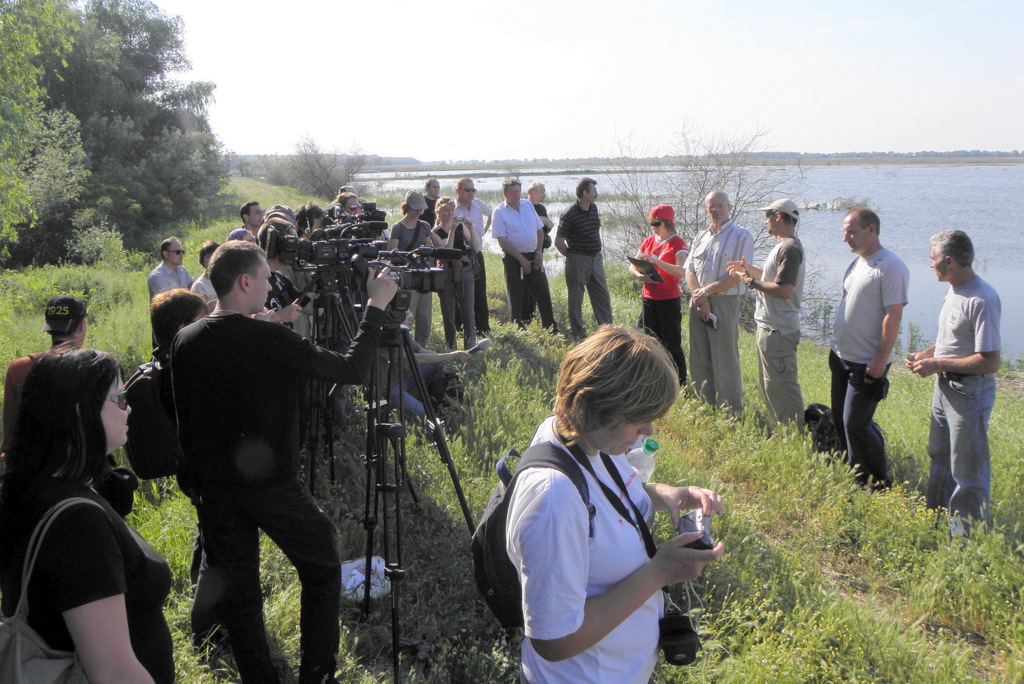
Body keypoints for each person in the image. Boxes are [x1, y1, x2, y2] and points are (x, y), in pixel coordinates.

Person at [170, 240, 397, 683]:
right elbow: (351, 370)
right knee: (321, 568)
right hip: (272, 487)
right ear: (245, 281)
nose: (272, 286)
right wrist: (375, 307)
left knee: (240, 592)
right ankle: (317, 672)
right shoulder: (272, 339)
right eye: (267, 278)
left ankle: (260, 677)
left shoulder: (186, 338)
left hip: (214, 491)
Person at [507, 325, 725, 682]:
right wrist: (659, 572)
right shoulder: (553, 501)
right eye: (639, 420)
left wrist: (664, 493)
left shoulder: (584, 439)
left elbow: (608, 495)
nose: (649, 431)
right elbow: (553, 642)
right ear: (603, 409)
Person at [0, 348, 175, 683]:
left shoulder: (38, 489)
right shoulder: (77, 523)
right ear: (81, 411)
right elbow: (112, 672)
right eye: (120, 398)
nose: (130, 407)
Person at [906, 230, 1000, 536]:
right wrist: (927, 355)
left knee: (968, 473)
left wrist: (937, 364)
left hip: (969, 394)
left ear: (948, 261)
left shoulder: (981, 298)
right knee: (939, 458)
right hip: (944, 389)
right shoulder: (953, 290)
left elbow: (989, 361)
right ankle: (934, 524)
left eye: (933, 258)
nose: (930, 264)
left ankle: (965, 544)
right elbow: (953, 342)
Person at [830, 207, 909, 489]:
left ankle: (878, 482)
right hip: (840, 356)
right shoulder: (858, 263)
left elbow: (893, 315)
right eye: (845, 232)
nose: (846, 238)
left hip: (866, 362)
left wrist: (880, 361)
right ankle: (853, 475)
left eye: (852, 231)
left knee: (857, 423)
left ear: (871, 230)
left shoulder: (890, 265)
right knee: (841, 419)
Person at [728, 198, 805, 426]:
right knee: (772, 387)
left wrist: (750, 281)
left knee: (783, 388)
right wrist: (749, 271)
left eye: (768, 216)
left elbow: (784, 290)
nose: (766, 221)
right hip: (771, 329)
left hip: (779, 331)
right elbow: (775, 280)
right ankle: (783, 433)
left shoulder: (790, 248)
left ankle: (794, 439)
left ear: (778, 216)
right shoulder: (783, 246)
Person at [684, 191, 753, 416]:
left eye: (720, 206)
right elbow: (689, 270)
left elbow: (737, 275)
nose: (716, 210)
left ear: (729, 207)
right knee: (699, 356)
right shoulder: (700, 236)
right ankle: (704, 405)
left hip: (725, 302)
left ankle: (731, 412)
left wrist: (706, 293)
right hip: (698, 302)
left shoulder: (742, 236)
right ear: (706, 210)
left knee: (725, 359)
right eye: (711, 207)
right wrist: (699, 297)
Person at [2, 295, 88, 455]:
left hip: (30, 471)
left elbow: (9, 441)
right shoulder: (95, 367)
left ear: (49, 330)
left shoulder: (18, 369)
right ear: (81, 326)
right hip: (81, 469)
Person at [630, 205, 689, 385]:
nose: (654, 227)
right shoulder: (648, 241)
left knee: (671, 343)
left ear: (667, 223)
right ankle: (654, 379)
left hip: (668, 299)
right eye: (652, 223)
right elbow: (632, 264)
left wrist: (656, 261)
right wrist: (640, 275)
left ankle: (680, 382)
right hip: (649, 297)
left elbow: (682, 271)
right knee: (650, 341)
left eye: (657, 223)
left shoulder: (677, 243)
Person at [492, 178, 557, 332]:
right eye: (512, 192)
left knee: (543, 292)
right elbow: (502, 241)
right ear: (505, 193)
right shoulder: (499, 212)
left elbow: (539, 230)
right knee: (516, 294)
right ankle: (517, 327)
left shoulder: (527, 205)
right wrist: (521, 259)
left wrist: (539, 252)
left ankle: (550, 327)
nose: (516, 195)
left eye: (517, 191)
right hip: (514, 258)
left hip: (534, 256)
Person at [555, 177, 614, 340]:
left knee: (602, 295)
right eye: (593, 190)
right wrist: (574, 257)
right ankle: (578, 334)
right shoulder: (569, 213)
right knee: (576, 298)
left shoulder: (593, 208)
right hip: (578, 259)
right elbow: (559, 242)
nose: (596, 193)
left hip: (596, 259)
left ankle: (608, 332)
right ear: (585, 193)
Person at [389, 190, 442, 345]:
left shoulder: (424, 226)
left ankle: (421, 346)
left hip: (423, 277)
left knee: (424, 317)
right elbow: (392, 255)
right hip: (405, 278)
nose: (419, 212)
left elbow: (428, 247)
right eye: (415, 209)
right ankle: (405, 345)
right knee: (407, 315)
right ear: (407, 207)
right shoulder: (397, 228)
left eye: (421, 209)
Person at [433, 196, 479, 349]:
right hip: (446, 273)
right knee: (448, 312)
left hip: (464, 270)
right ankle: (451, 347)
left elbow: (476, 247)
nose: (450, 214)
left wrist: (471, 227)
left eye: (452, 210)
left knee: (468, 312)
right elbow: (447, 252)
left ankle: (470, 347)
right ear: (438, 212)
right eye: (446, 210)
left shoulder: (460, 227)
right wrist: (451, 230)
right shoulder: (435, 232)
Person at [453, 177, 490, 334]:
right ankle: (460, 329)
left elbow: (490, 216)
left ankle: (483, 328)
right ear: (458, 191)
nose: (471, 193)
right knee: (459, 293)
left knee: (480, 292)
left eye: (473, 190)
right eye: (467, 190)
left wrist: (483, 233)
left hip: (476, 254)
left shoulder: (476, 207)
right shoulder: (451, 208)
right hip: (458, 256)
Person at [191, 240, 221, 312]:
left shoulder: (230, 277)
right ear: (202, 261)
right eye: (208, 257)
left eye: (215, 255)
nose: (212, 259)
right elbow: (200, 312)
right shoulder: (199, 285)